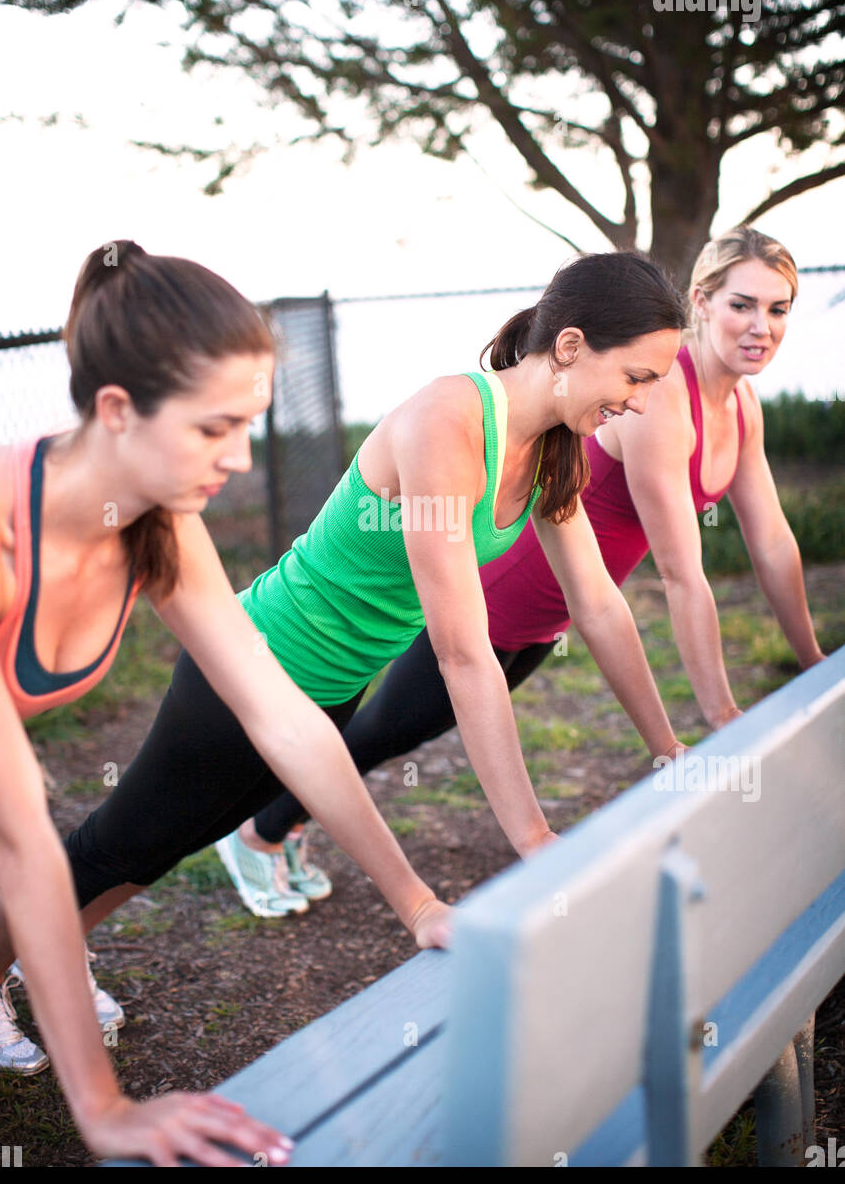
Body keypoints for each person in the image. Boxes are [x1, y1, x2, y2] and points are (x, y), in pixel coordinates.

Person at [1, 247, 692, 963]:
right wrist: (533, 838)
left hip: (331, 689)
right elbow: (460, 651)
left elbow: (600, 607)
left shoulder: (552, 449)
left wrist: (668, 748)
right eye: (636, 377)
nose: (639, 400)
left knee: (156, 851)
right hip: (256, 663)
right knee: (123, 843)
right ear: (572, 347)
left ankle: (46, 953)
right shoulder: (450, 421)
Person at [0, 240, 449, 1168]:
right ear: (117, 410)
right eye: (213, 428)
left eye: (251, 426)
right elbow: (24, 839)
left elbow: (284, 717)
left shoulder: (157, 519)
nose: (239, 458)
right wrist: (105, 1109)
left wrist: (420, 904)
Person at [327, 227, 826, 792]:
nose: (762, 324)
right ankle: (267, 828)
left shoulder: (735, 406)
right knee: (391, 730)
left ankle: (281, 813)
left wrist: (812, 664)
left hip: (561, 609)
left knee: (402, 730)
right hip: (508, 591)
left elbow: (771, 543)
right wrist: (721, 717)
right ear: (703, 304)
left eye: (778, 308)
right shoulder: (658, 398)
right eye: (743, 304)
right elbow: (681, 574)